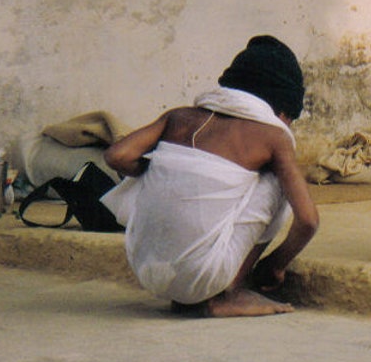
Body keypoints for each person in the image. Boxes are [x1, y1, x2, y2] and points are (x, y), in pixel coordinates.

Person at [101, 35, 319, 318]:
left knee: (164, 166)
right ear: (279, 107)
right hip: (203, 277)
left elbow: (117, 156)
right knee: (279, 182)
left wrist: (154, 170)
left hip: (146, 269)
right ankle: (228, 292)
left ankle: (197, 288)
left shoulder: (178, 117)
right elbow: (309, 220)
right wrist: (275, 264)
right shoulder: (273, 136)